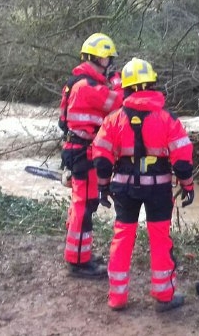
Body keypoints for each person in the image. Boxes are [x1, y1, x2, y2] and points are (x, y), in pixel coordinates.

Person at [92, 57, 195, 312]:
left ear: (126, 87)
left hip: (124, 189)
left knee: (122, 237)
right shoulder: (168, 119)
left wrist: (103, 186)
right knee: (160, 239)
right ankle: (164, 296)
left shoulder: (114, 119)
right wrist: (188, 185)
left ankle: (117, 297)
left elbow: (102, 158)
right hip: (158, 190)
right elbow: (182, 159)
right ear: (152, 85)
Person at [58, 33, 123, 278]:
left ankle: (80, 254)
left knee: (84, 205)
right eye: (109, 60)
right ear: (97, 58)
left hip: (80, 151)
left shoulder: (79, 81)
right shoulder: (87, 87)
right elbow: (118, 101)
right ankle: (77, 262)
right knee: (84, 206)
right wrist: (117, 81)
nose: (111, 65)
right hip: (83, 153)